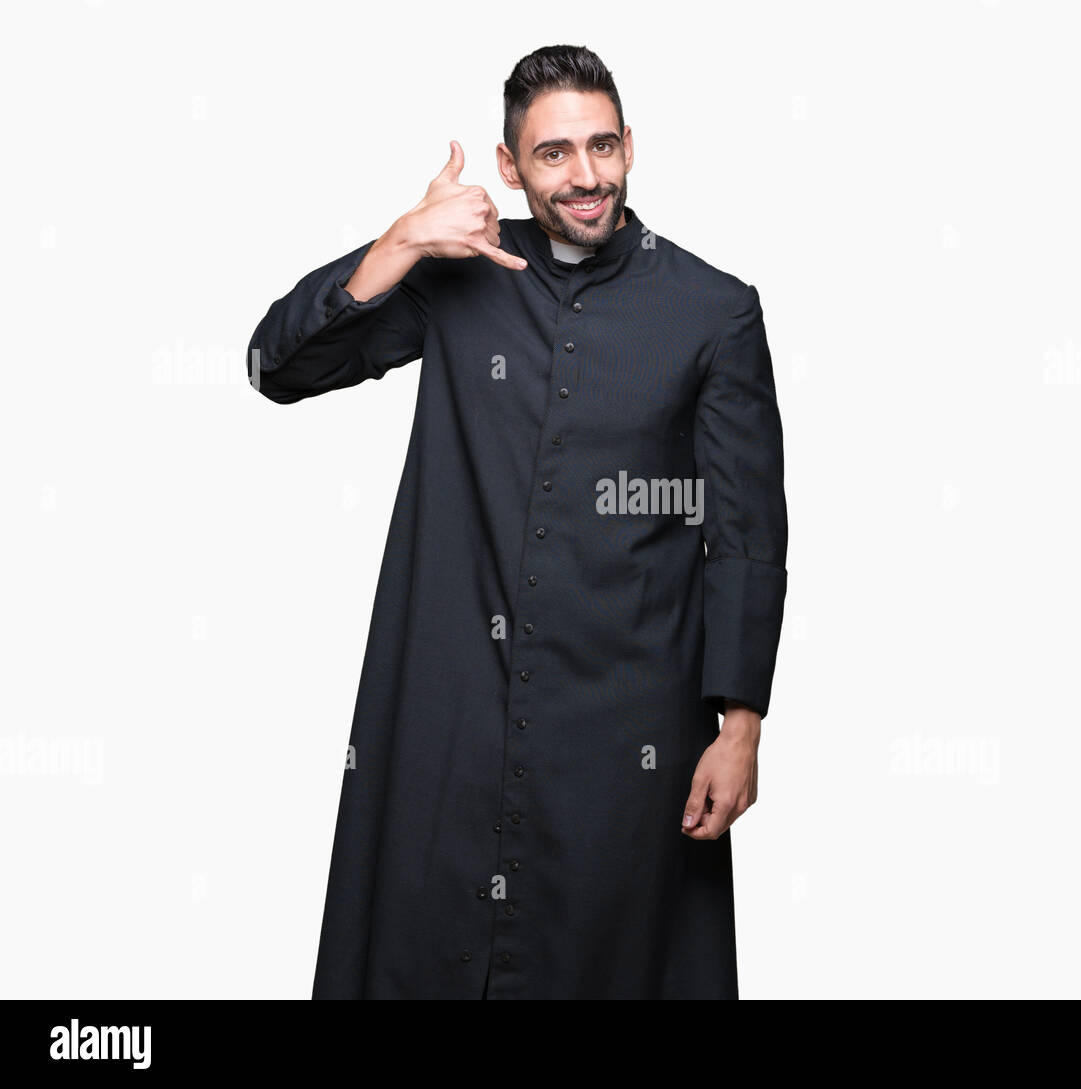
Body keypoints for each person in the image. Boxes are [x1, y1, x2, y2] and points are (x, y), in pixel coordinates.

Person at [245, 43, 788, 1000]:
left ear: (631, 147)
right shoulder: (458, 273)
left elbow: (743, 533)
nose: (587, 176)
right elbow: (276, 368)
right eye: (554, 154)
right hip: (448, 716)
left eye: (603, 146)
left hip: (625, 727)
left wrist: (740, 723)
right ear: (509, 166)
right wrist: (401, 239)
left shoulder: (715, 310)